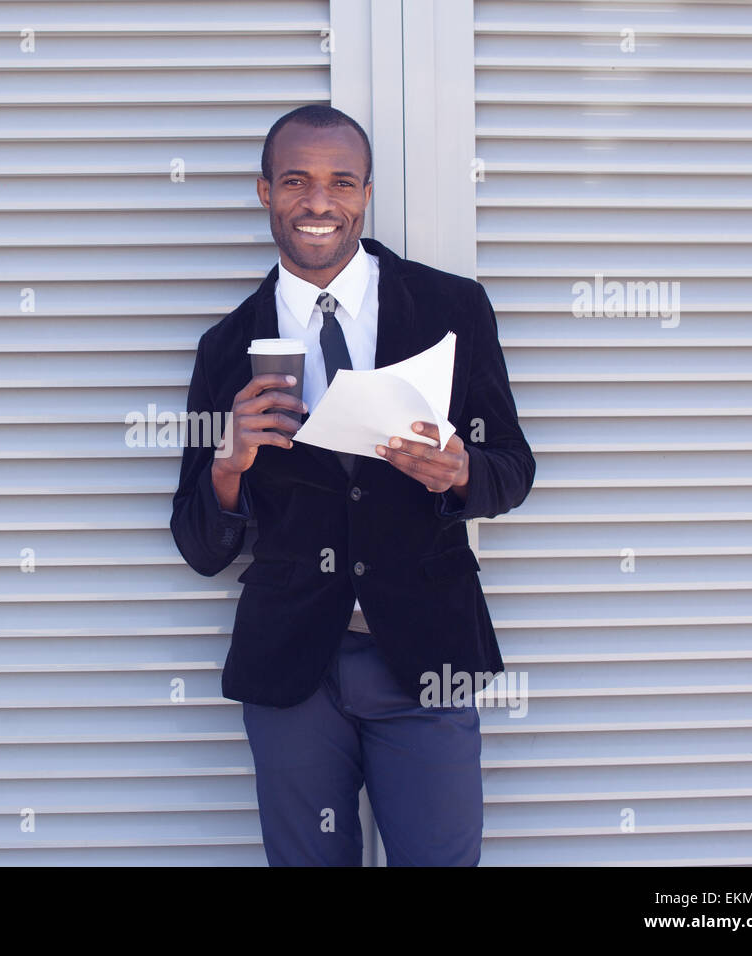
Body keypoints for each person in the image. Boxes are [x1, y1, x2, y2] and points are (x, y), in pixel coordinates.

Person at [169, 105, 535, 866]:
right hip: (294, 667)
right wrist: (227, 466)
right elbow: (200, 543)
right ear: (265, 191)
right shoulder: (227, 346)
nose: (317, 202)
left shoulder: (450, 308)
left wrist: (463, 472)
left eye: (340, 181)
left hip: (426, 652)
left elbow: (513, 468)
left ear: (365, 194)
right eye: (296, 180)